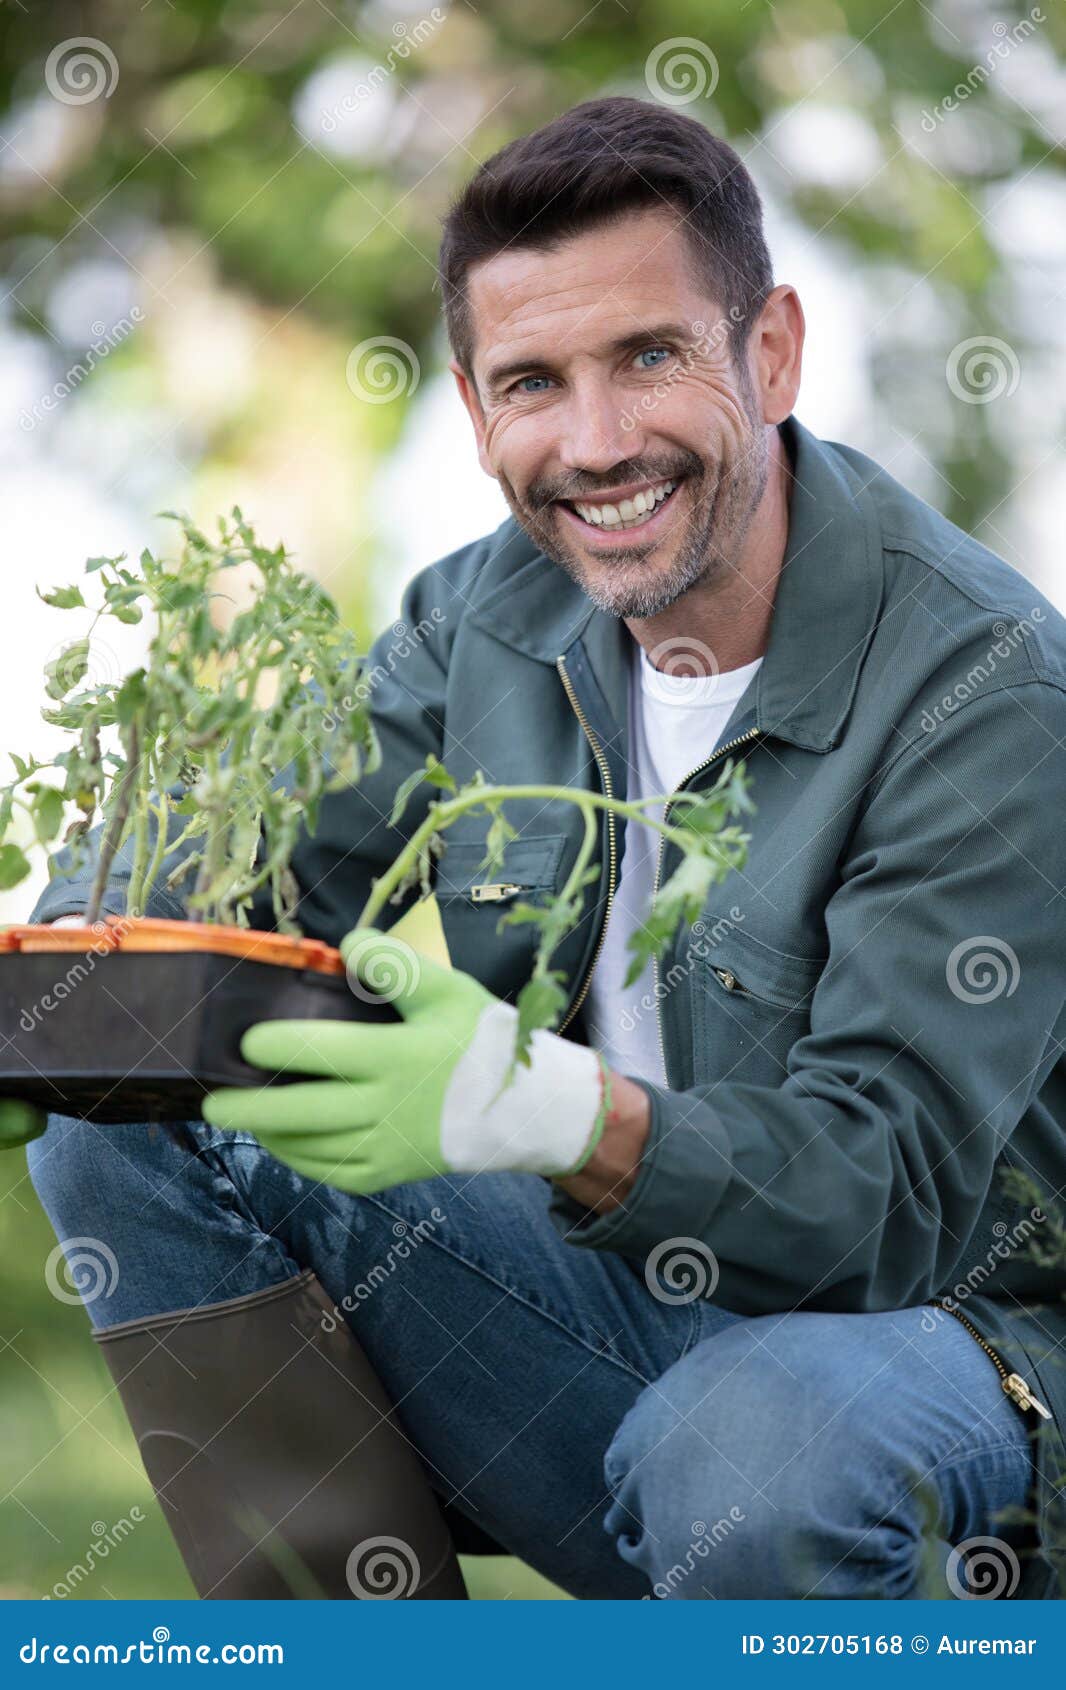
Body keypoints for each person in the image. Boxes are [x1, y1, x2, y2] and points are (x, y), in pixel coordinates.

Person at [4, 95, 1065, 1601]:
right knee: (119, 1102)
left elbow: (880, 1201)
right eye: (532, 381)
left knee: (751, 1447)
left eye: (648, 355)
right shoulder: (484, 612)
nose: (596, 441)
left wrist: (533, 1101)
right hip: (634, 1320)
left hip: (956, 1366)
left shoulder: (987, 686)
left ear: (769, 352)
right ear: (471, 405)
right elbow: (230, 867)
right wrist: (49, 995)